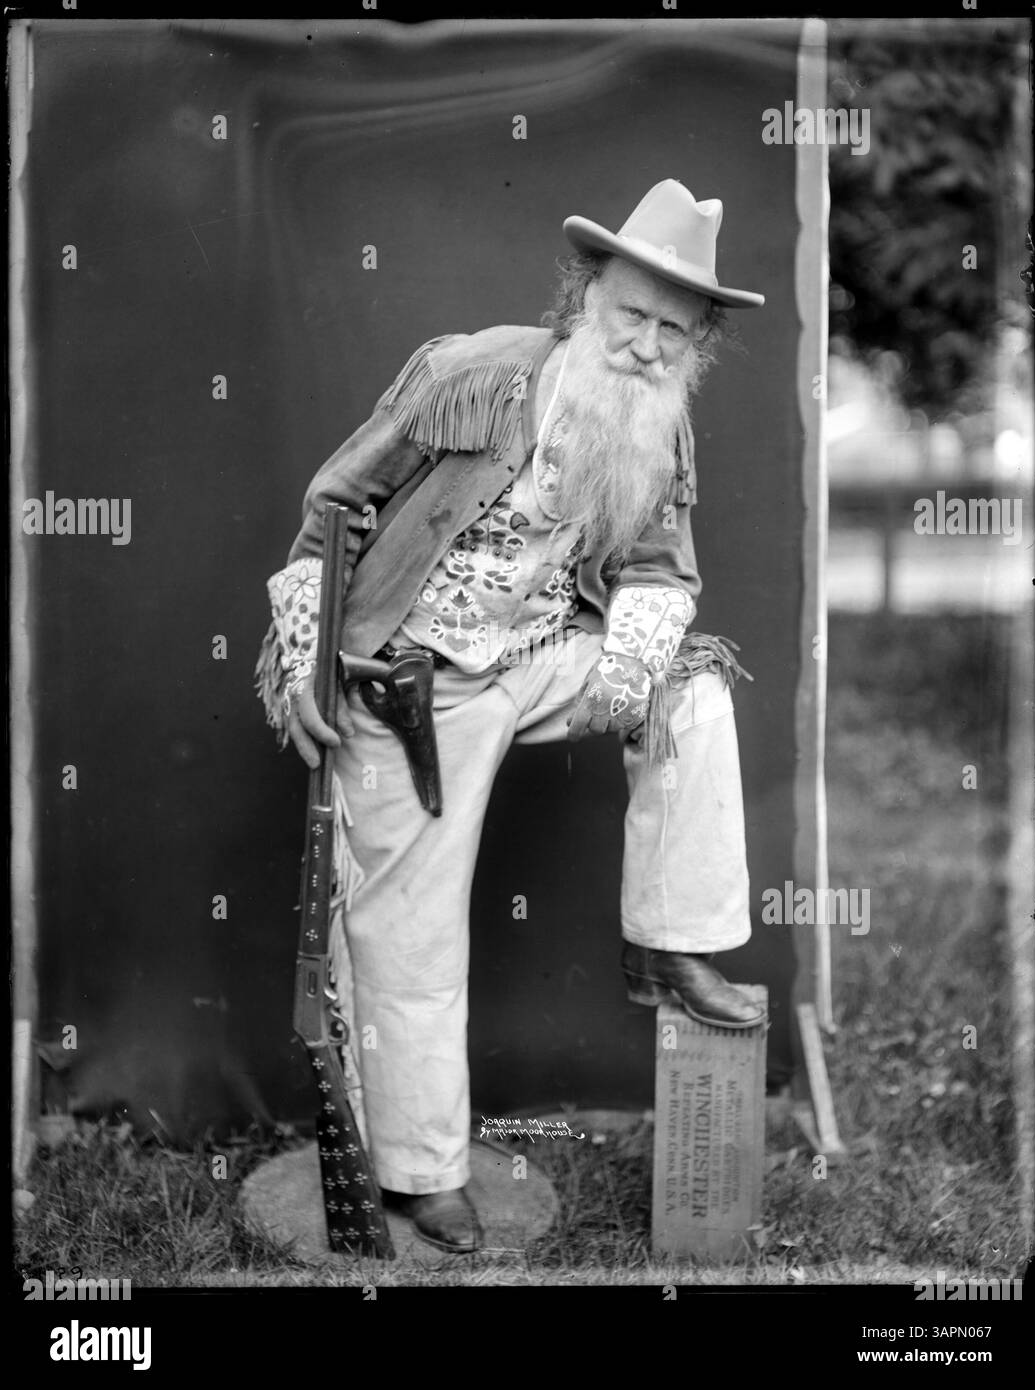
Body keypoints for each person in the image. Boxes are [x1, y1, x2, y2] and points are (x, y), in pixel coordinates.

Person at [256, 179, 766, 1253]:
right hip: (416, 677)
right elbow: (330, 509)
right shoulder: (471, 374)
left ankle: (673, 943)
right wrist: (306, 659)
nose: (644, 345)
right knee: (409, 933)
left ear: (697, 347)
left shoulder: (660, 433)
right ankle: (418, 1172)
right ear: (584, 297)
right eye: (631, 315)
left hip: (538, 660)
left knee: (695, 687)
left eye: (673, 333)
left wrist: (627, 676)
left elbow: (664, 577)